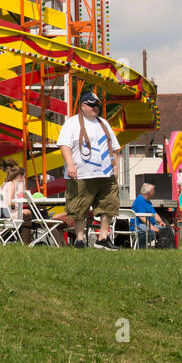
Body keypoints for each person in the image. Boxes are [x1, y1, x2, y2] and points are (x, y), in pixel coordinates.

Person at [57, 91, 121, 249]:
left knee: (109, 205)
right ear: (82, 106)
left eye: (97, 105)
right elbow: (64, 145)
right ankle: (79, 240)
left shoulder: (103, 123)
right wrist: (70, 164)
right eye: (92, 105)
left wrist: (115, 165)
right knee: (79, 207)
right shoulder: (72, 123)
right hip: (82, 174)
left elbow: (114, 147)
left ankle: (103, 239)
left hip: (106, 174)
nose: (95, 108)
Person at [129, 183, 171, 249]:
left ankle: (164, 247)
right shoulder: (140, 200)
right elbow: (142, 218)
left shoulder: (148, 202)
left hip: (147, 224)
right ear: (149, 192)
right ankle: (138, 246)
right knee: (151, 232)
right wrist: (151, 227)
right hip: (137, 225)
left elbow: (155, 214)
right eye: (153, 190)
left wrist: (160, 221)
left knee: (166, 229)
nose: (154, 192)